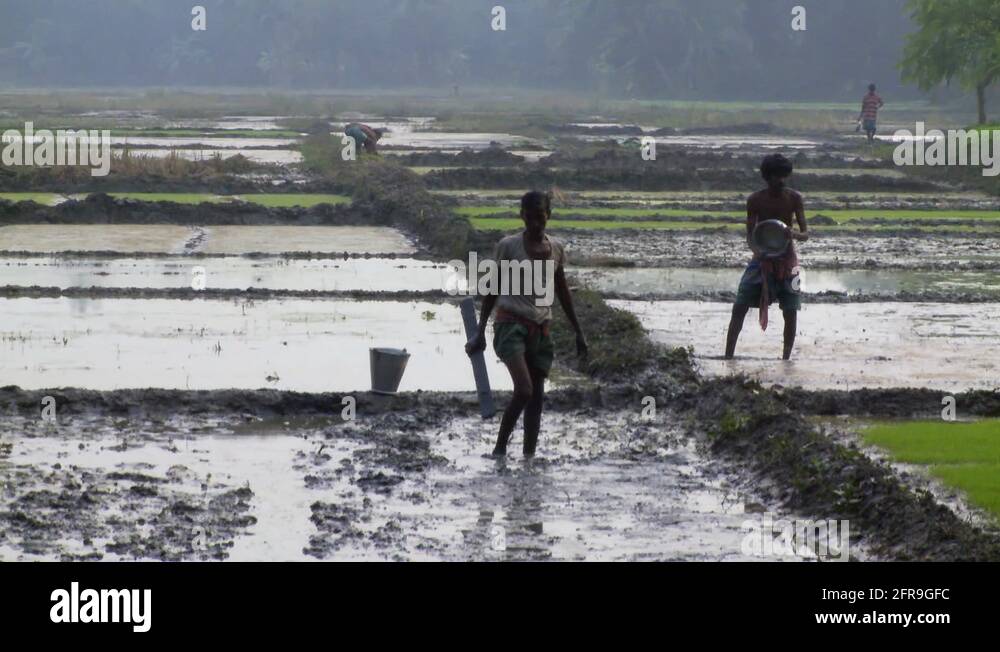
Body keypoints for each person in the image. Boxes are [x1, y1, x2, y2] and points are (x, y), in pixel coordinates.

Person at [466, 191, 588, 458]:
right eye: (530, 218)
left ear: (549, 216)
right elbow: (493, 288)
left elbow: (563, 292)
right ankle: (499, 449)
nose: (535, 224)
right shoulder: (509, 246)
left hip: (541, 329)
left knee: (536, 400)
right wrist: (479, 333)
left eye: (540, 218)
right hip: (510, 325)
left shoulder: (556, 249)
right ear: (522, 216)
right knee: (524, 390)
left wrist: (579, 331)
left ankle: (529, 457)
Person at [725, 154, 809, 361]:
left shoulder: (794, 198)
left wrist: (793, 233)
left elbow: (805, 234)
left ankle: (786, 359)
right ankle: (728, 356)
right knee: (740, 304)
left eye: (783, 176)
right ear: (767, 177)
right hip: (762, 258)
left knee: (791, 310)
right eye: (776, 177)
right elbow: (750, 235)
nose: (780, 181)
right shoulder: (755, 200)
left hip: (788, 260)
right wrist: (757, 251)